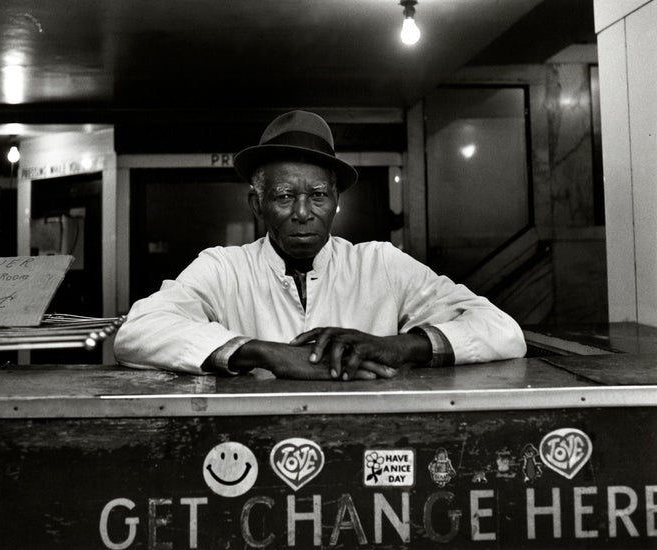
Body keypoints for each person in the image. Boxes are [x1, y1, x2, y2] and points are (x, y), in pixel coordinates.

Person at [114, 110, 526, 380]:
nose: (303, 212)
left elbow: (502, 331)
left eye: (317, 195)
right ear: (257, 204)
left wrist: (396, 346)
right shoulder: (224, 267)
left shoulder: (379, 263)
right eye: (284, 196)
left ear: (336, 201)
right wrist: (264, 353)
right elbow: (137, 332)